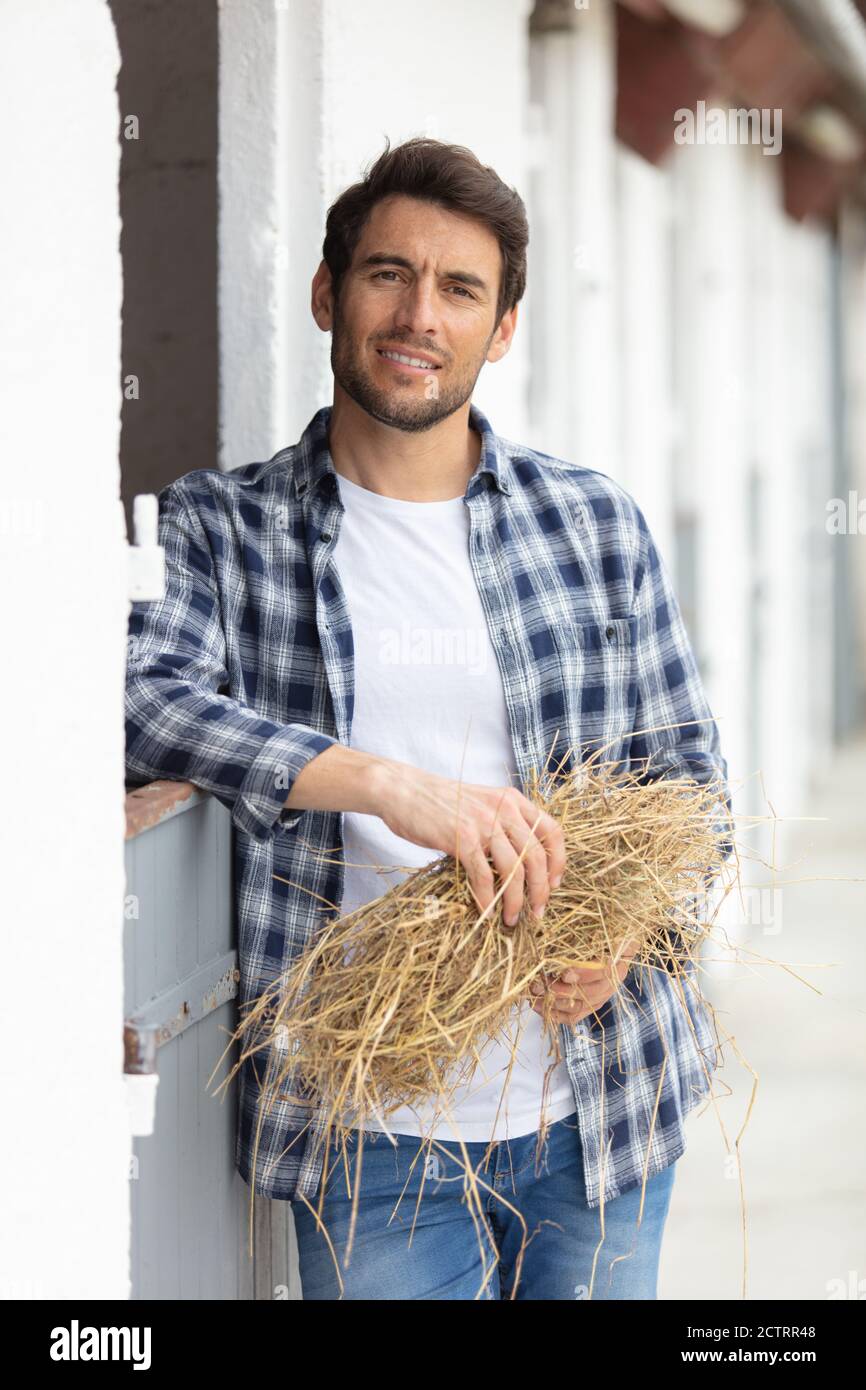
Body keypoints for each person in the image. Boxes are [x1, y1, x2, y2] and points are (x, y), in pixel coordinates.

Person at [125, 136, 730, 1300]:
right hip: (370, 1133)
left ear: (500, 327)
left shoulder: (592, 524)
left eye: (460, 289)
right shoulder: (222, 527)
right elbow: (144, 701)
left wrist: (626, 940)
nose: (418, 314)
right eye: (386, 274)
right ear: (326, 293)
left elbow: (690, 787)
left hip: (597, 1107)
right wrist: (387, 784)